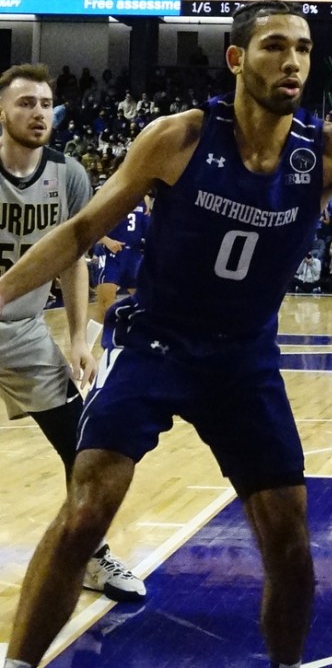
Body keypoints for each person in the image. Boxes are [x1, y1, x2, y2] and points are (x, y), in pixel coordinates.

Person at [0, 0, 332, 668]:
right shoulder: (178, 137)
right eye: (273, 45)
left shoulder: (330, 154)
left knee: (290, 542)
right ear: (237, 58)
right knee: (86, 511)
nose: (291, 59)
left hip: (243, 362)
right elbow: (81, 231)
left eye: (302, 47)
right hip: (157, 345)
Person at [0, 64, 144, 604]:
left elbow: (74, 261)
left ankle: (90, 552)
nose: (37, 113)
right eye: (24, 104)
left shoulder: (70, 175)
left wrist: (80, 338)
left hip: (22, 333)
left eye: (44, 103)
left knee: (81, 446)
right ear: (1, 112)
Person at [88, 194, 152, 342]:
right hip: (110, 254)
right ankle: (93, 347)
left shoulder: (143, 200)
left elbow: (148, 231)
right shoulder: (109, 196)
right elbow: (90, 226)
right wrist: (107, 240)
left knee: (145, 302)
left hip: (133, 255)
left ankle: (138, 343)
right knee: (106, 304)